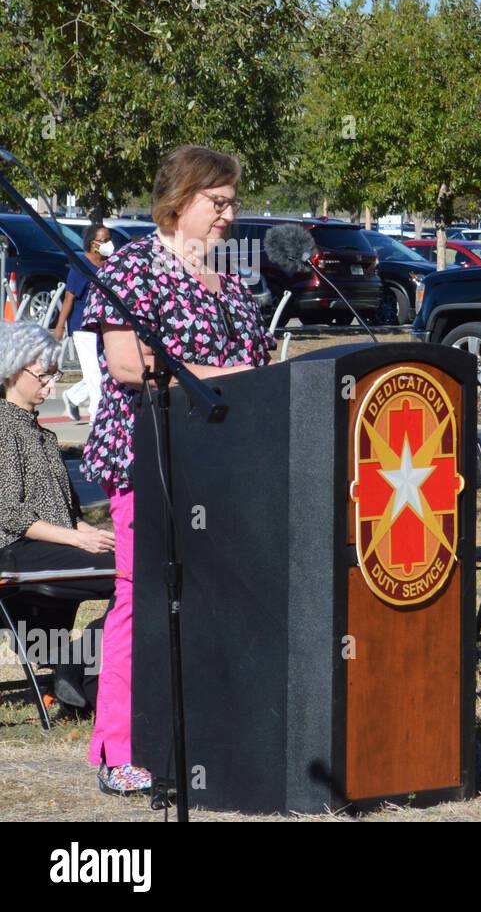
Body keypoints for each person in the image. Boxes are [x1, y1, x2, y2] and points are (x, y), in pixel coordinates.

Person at [81, 144, 273, 795]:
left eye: (232, 202)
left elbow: (262, 371)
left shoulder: (234, 282)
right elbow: (130, 365)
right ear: (179, 200)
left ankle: (209, 735)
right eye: (216, 201)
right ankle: (119, 749)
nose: (229, 213)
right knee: (144, 599)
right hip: (149, 460)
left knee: (218, 600)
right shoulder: (133, 267)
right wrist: (236, 378)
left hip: (224, 468)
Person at [0, 322, 116, 710]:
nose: (51, 386)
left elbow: (67, 512)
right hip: (16, 549)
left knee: (139, 567)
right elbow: (8, 511)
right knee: (135, 575)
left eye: (54, 374)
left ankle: (79, 660)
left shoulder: (42, 435)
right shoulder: (3, 427)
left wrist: (90, 532)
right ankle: (80, 663)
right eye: (44, 375)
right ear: (13, 371)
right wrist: (77, 538)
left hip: (47, 543)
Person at [53, 225, 114, 422]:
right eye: (104, 240)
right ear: (92, 244)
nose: (108, 244)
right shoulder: (81, 267)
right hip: (83, 327)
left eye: (109, 239)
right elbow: (69, 298)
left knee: (105, 372)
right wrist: (60, 327)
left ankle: (73, 396)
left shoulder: (108, 265)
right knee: (95, 374)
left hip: (103, 326)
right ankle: (97, 420)